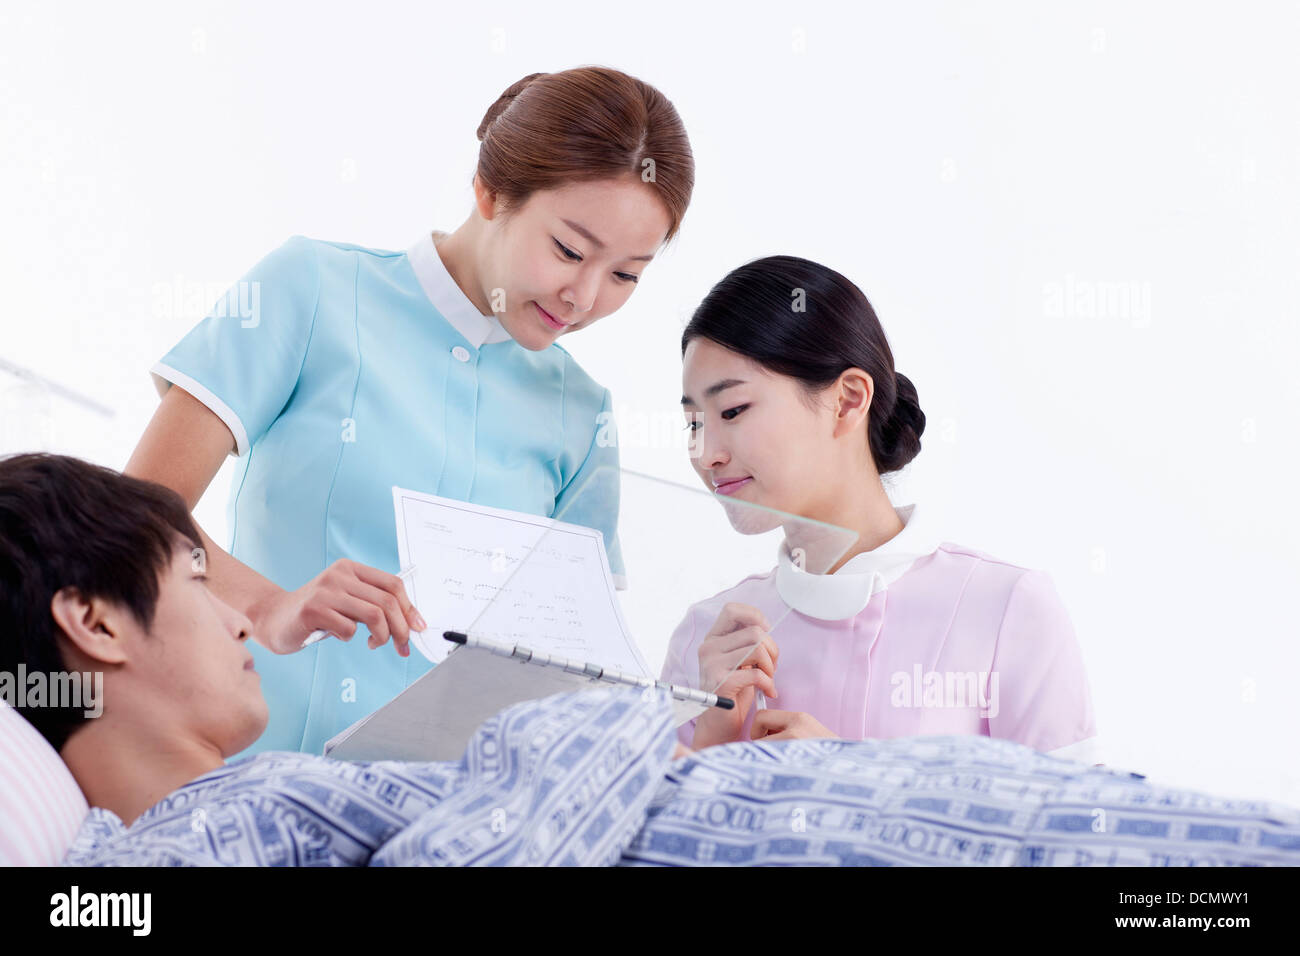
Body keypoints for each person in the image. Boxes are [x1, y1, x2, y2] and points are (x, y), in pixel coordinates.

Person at [3, 454, 1295, 868]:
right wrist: (631, 722)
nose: (242, 615)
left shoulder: (244, 804)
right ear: (94, 625)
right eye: (193, 581)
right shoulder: (161, 858)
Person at [123, 66, 695, 757]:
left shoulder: (584, 415)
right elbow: (139, 507)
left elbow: (564, 662)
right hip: (250, 769)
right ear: (489, 191)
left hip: (445, 819)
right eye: (569, 250)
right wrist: (271, 606)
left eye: (626, 274)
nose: (584, 295)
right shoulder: (313, 290)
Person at [664, 255, 1099, 762]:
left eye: (732, 410)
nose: (706, 453)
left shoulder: (1006, 608)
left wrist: (855, 779)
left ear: (848, 400)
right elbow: (642, 834)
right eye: (693, 423)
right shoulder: (707, 633)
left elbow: (1065, 828)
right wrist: (714, 735)